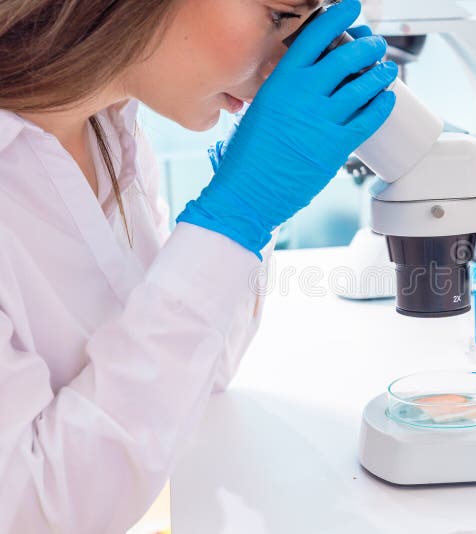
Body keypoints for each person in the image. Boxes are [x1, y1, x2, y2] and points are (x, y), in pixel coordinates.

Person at [0, 0, 397, 531]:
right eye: (280, 16)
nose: (288, 61)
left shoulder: (110, 127)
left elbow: (196, 378)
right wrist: (236, 213)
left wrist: (251, 203)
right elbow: (31, 509)